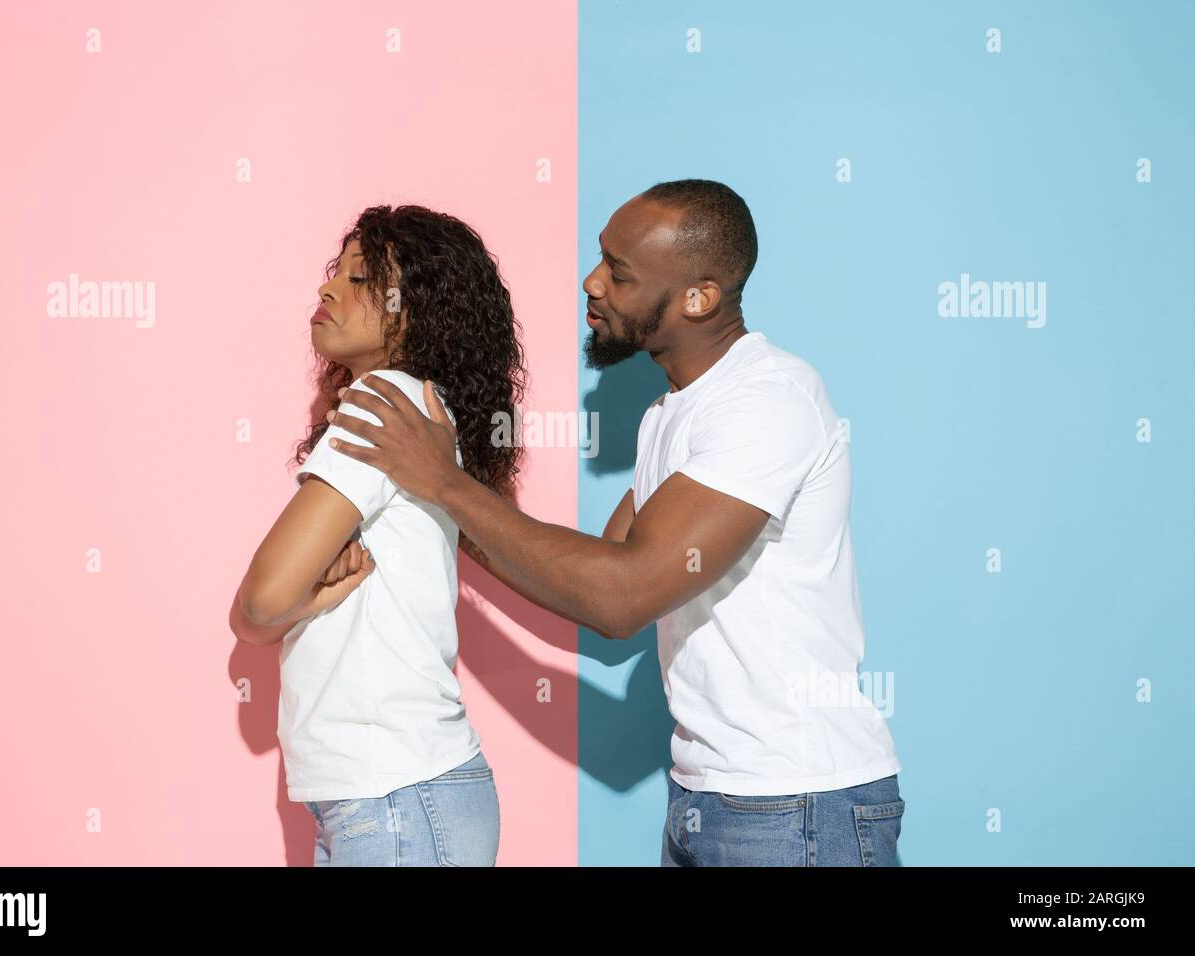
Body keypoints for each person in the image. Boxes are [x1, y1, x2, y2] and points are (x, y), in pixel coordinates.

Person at [326, 179, 906, 866]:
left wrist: (443, 482)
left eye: (619, 274)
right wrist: (421, 504)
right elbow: (589, 572)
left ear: (700, 297)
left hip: (797, 804)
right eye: (600, 258)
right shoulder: (671, 415)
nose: (591, 282)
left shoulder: (766, 401)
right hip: (709, 797)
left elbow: (621, 598)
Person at [229, 203, 526, 867]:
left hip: (395, 798)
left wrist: (302, 601)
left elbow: (258, 604)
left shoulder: (383, 404)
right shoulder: (412, 408)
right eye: (337, 271)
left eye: (361, 278)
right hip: (395, 799)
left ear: (416, 309)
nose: (328, 288)